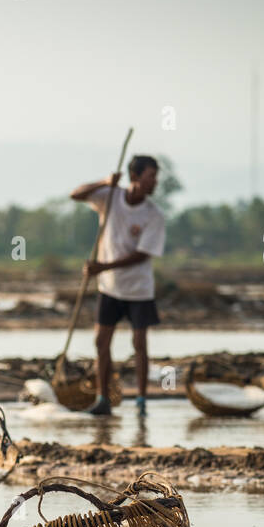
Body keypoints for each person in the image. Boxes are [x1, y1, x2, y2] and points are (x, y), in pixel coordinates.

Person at [69, 155, 167, 416]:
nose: (154, 182)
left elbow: (142, 254)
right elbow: (76, 195)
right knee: (101, 341)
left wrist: (102, 267)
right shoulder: (110, 198)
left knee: (139, 344)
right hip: (110, 288)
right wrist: (104, 181)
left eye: (155, 177)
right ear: (134, 177)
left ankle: (141, 400)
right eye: (150, 176)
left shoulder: (154, 215)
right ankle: (103, 398)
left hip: (139, 290)